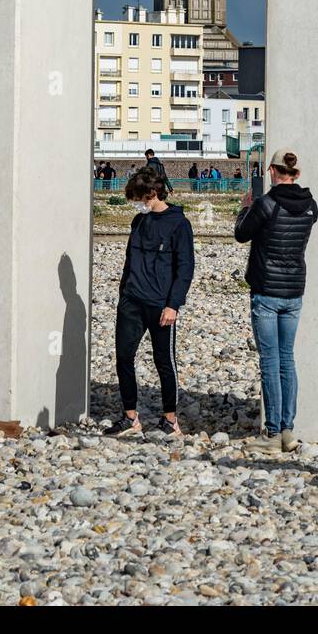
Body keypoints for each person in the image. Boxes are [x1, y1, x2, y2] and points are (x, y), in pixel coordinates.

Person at [234, 147, 318, 454]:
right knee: (287, 359)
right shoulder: (311, 206)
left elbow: (241, 234)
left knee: (270, 362)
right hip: (294, 290)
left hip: (267, 289)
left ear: (272, 171)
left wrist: (245, 208)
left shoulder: (266, 204)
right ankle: (287, 430)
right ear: (295, 174)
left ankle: (271, 434)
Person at [105, 167, 195, 438]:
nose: (136, 204)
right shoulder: (138, 221)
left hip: (160, 304)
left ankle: (170, 420)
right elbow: (130, 260)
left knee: (164, 361)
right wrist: (124, 292)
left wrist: (173, 305)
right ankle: (130, 418)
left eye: (139, 199)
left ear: (153, 194)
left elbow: (186, 267)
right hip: (132, 300)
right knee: (123, 357)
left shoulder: (179, 224)